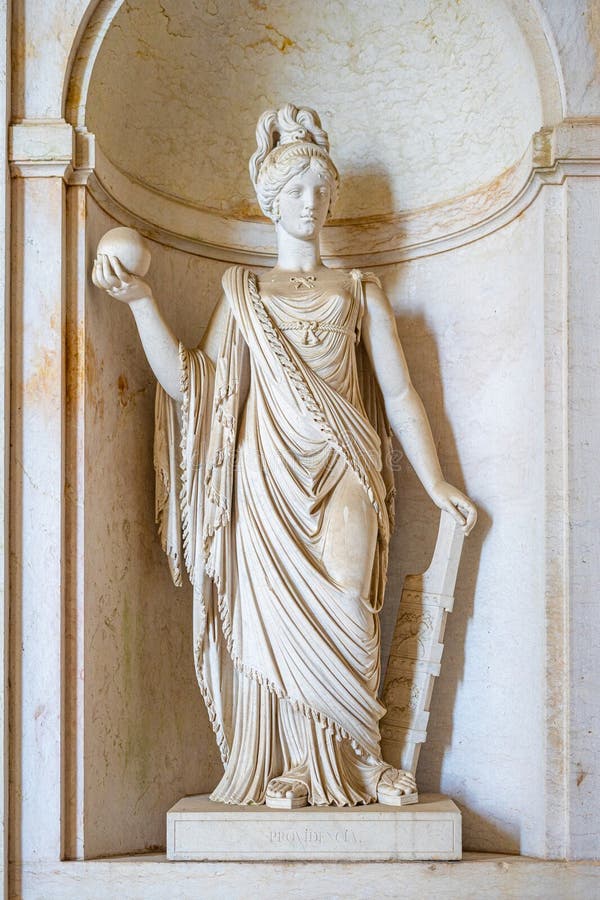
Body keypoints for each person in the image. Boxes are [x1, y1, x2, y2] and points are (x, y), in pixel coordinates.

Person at [92, 104, 476, 809]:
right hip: (263, 478)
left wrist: (437, 479)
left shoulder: (358, 290)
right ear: (270, 201)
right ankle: (298, 766)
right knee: (280, 633)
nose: (309, 201)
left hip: (347, 466)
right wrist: (142, 299)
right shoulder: (242, 294)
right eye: (295, 189)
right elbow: (192, 386)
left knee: (347, 605)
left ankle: (359, 761)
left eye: (318, 190)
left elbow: (399, 393)